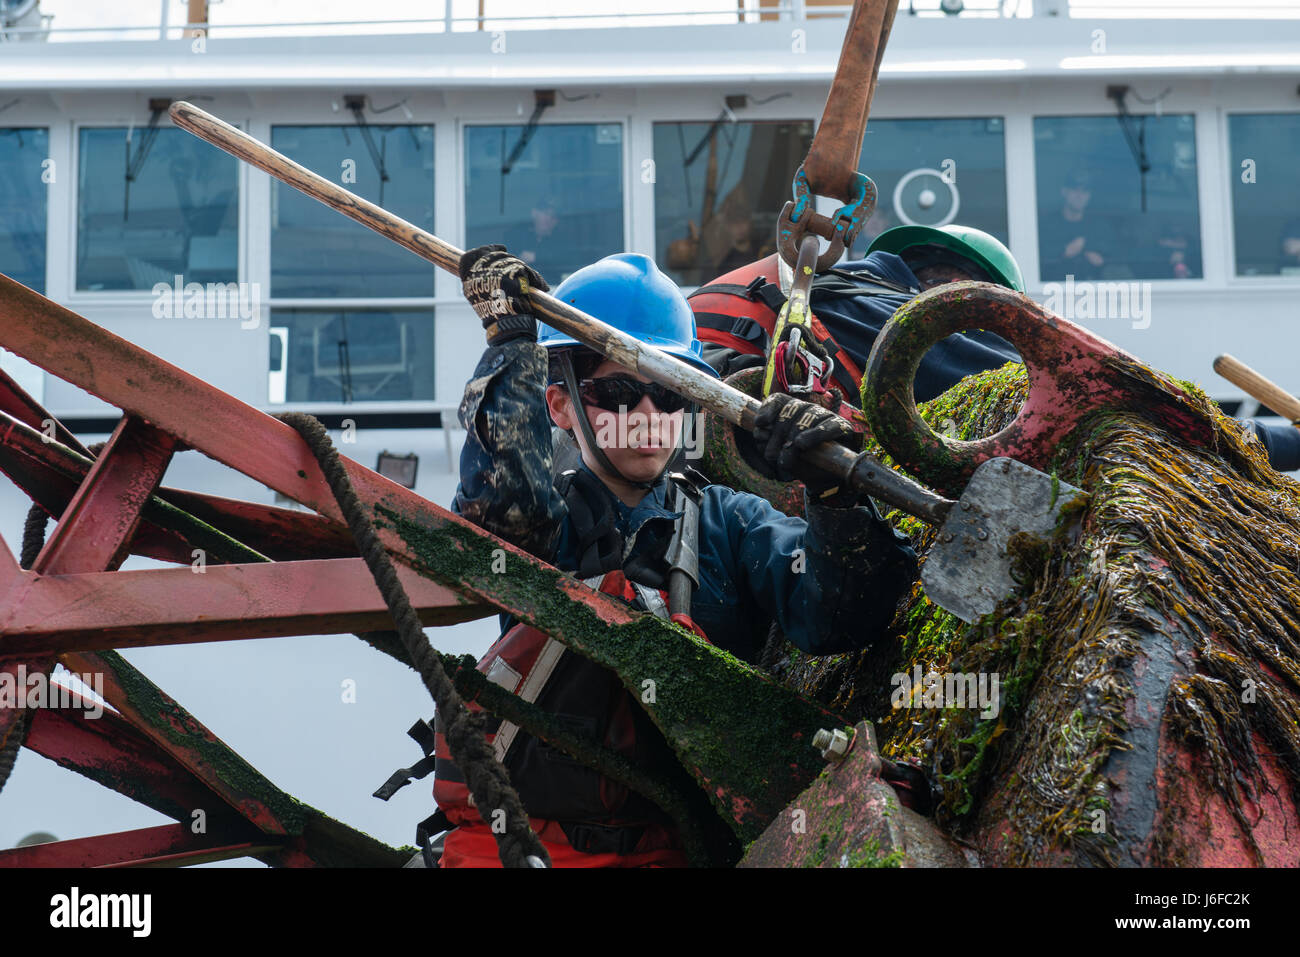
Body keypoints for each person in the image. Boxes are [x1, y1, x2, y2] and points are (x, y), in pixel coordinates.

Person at [433, 245, 918, 867]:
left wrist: (833, 498)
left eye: (667, 395)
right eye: (618, 392)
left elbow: (840, 616)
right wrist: (510, 346)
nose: (647, 416)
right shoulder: (543, 526)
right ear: (560, 405)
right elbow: (498, 510)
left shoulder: (730, 524)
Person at [694, 223, 1023, 404]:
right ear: (958, 287)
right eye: (987, 330)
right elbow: (1029, 376)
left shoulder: (844, 285)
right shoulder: (910, 321)